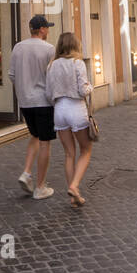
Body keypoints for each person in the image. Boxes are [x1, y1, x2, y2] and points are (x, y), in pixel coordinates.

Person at [8, 14, 57, 199]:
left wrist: (23, 89)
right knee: (45, 143)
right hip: (43, 102)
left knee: (35, 136)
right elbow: (52, 77)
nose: (48, 31)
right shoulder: (49, 49)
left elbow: (12, 75)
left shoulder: (18, 47)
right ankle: (40, 187)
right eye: (47, 28)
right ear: (42, 29)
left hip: (25, 102)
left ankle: (26, 172)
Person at [46, 32, 94, 207]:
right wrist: (91, 87)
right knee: (86, 150)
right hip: (76, 108)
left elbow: (48, 93)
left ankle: (74, 197)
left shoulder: (52, 65)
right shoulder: (77, 63)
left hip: (59, 110)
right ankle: (74, 186)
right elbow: (83, 90)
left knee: (69, 154)